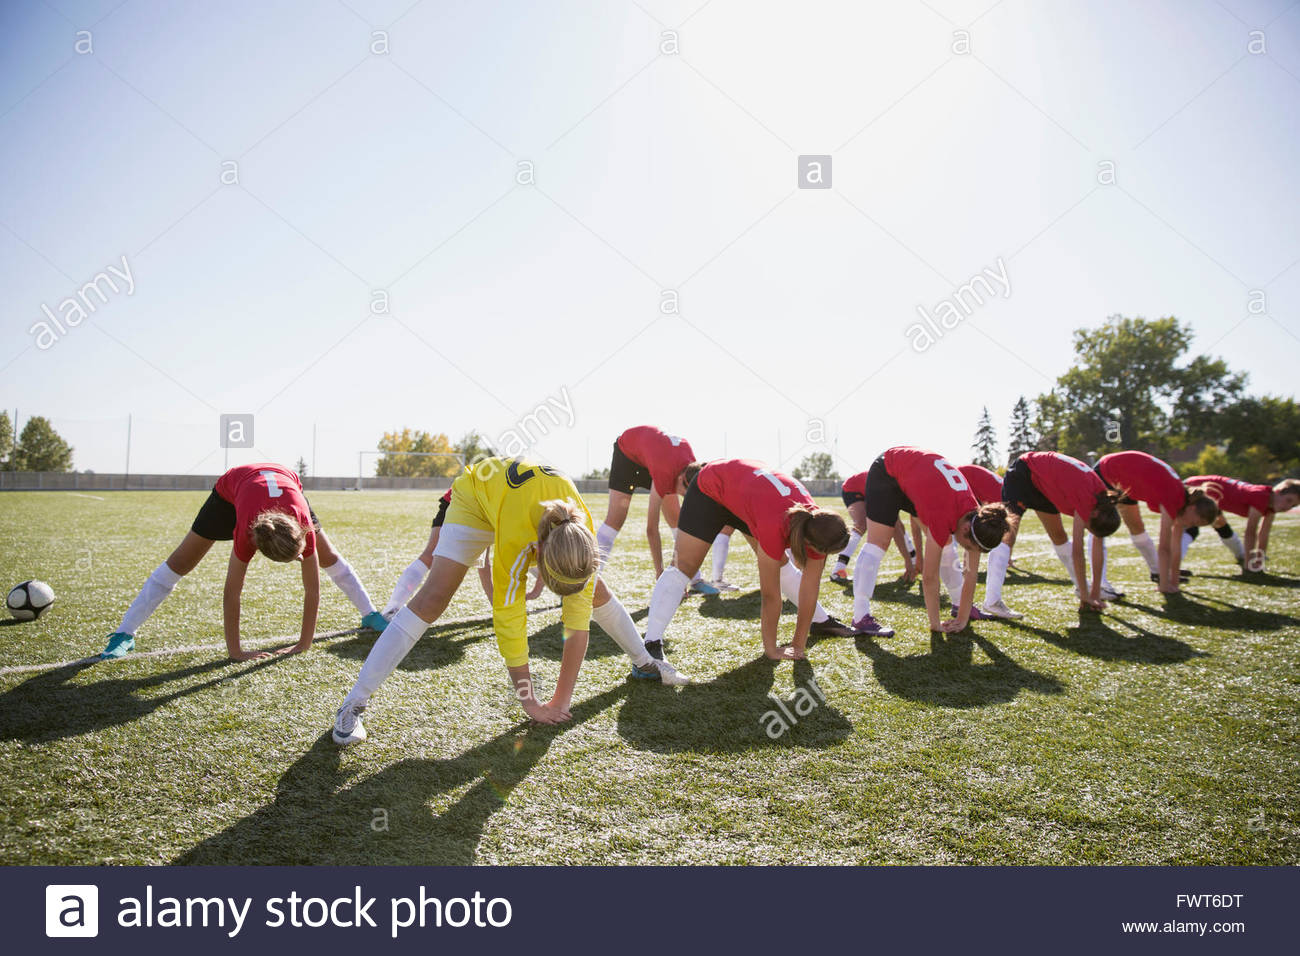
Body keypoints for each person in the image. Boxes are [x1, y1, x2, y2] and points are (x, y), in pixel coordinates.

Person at [333, 456, 686, 745]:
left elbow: (577, 627)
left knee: (596, 592)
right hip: (476, 498)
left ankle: (643, 661)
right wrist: (529, 701)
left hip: (522, 505)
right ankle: (354, 703)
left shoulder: (580, 534)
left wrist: (561, 702)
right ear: (537, 554)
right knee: (433, 597)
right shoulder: (517, 543)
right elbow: (509, 620)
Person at [100, 463, 386, 661]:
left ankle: (370, 613)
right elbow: (232, 593)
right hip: (232, 490)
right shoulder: (246, 535)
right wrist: (236, 651)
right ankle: (124, 633)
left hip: (287, 485)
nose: (303, 557)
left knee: (329, 556)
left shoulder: (303, 528)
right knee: (181, 561)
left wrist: (304, 643)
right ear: (257, 547)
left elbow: (312, 590)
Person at [637, 458, 856, 669]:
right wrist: (772, 649)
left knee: (781, 564)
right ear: (809, 542)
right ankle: (651, 644)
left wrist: (798, 644)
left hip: (749, 494)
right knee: (684, 565)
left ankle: (821, 621)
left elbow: (810, 588)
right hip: (711, 487)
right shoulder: (777, 525)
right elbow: (771, 597)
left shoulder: (818, 523)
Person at [849, 447, 1010, 638]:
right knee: (879, 542)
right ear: (966, 529)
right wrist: (935, 623)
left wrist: (963, 617)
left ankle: (958, 604)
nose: (967, 551)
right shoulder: (945, 514)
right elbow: (929, 578)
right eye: (967, 547)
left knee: (948, 544)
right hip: (888, 470)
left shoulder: (976, 518)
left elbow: (971, 573)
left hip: (920, 479)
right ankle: (860, 616)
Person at [977, 452, 1122, 618]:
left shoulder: (1103, 506)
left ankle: (1081, 588)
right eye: (1090, 528)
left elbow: (1098, 543)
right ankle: (992, 601)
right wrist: (1085, 595)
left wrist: (1094, 593)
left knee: (1059, 537)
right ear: (1094, 515)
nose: (1089, 531)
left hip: (1043, 485)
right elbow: (1078, 552)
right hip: (1023, 473)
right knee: (1008, 534)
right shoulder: (1088, 498)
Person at [379, 489, 541, 620]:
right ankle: (390, 611)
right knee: (431, 555)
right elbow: (485, 562)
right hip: (467, 502)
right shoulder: (515, 503)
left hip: (471, 500)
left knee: (514, 552)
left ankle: (390, 612)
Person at [594, 425, 719, 593]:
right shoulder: (665, 473)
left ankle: (695, 578)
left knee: (677, 519)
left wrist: (678, 577)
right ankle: (586, 581)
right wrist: (660, 573)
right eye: (684, 493)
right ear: (681, 478)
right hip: (627, 454)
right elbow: (651, 529)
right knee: (616, 519)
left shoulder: (690, 469)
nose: (686, 498)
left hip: (654, 457)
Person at [1093, 451, 1219, 595]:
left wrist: (1174, 581)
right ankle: (1101, 585)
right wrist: (1165, 587)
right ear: (1193, 508)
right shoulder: (1174, 498)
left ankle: (1157, 573)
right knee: (1099, 527)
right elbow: (1164, 548)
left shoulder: (1183, 501)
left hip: (1127, 478)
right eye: (1195, 522)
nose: (1190, 525)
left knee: (1137, 527)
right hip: (1108, 470)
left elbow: (1175, 546)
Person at [1182, 476, 1300, 572]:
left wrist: (1259, 560)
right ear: (1278, 491)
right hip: (1195, 487)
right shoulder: (1262, 497)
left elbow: (1263, 534)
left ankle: (1241, 555)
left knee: (1221, 526)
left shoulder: (1271, 504)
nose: (1288, 507)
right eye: (1288, 500)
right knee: (1190, 528)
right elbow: (1250, 532)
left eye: (1293, 505)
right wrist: (1249, 564)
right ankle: (1166, 567)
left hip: (1210, 493)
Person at [828, 469, 917, 586]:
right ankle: (838, 570)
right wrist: (908, 563)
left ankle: (914, 561)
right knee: (861, 524)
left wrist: (914, 562)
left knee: (899, 524)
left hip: (870, 488)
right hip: (853, 487)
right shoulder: (892, 487)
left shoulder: (901, 485)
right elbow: (895, 529)